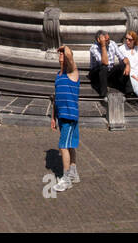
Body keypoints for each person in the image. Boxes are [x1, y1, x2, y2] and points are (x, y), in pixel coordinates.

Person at [50, 45, 81, 192]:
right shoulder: (58, 75)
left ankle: (66, 178)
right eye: (59, 54)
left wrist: (65, 48)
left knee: (63, 146)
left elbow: (69, 55)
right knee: (70, 145)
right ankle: (73, 171)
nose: (61, 55)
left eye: (63, 54)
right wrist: (53, 117)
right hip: (62, 115)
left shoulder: (73, 73)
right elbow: (56, 98)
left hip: (69, 116)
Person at [88, 30, 126, 99]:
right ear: (99, 40)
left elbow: (123, 58)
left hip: (108, 71)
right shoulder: (94, 48)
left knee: (123, 65)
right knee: (104, 67)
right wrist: (103, 46)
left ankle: (129, 92)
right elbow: (105, 62)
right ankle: (104, 95)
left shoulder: (112, 43)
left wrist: (128, 65)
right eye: (106, 40)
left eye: (109, 39)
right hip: (96, 73)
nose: (108, 41)